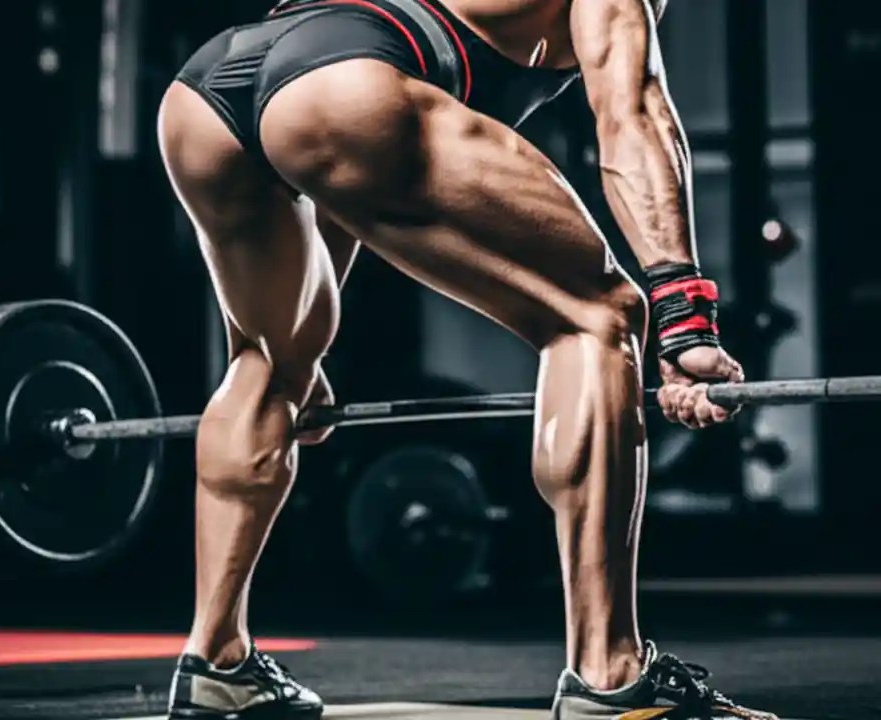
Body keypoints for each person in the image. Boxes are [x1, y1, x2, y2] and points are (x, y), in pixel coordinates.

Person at [157, 0, 775, 717]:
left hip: (213, 87)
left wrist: (303, 347)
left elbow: (324, 138)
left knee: (267, 367)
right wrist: (682, 313)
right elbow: (630, 112)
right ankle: (611, 675)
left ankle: (217, 662)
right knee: (599, 314)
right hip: (345, 83)